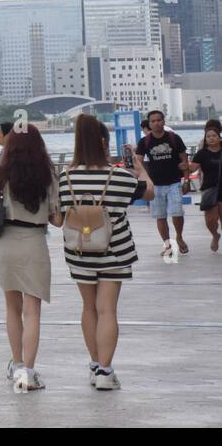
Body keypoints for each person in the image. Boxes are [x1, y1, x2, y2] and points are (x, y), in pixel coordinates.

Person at [60, 114, 140, 390]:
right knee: (107, 310)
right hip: (114, 251)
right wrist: (139, 168)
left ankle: (94, 363)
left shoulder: (65, 177)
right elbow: (148, 192)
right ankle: (105, 371)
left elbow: (59, 215)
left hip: (80, 251)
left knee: (88, 307)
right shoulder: (119, 176)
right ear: (104, 142)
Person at [0, 125, 61, 391]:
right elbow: (57, 218)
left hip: (6, 244)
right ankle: (29, 371)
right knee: (32, 310)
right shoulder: (48, 173)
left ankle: (16, 364)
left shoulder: (1, 172)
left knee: (12, 308)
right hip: (35, 243)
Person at [136, 109, 191, 256]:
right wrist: (142, 182)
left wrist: (186, 180)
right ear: (149, 124)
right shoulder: (145, 142)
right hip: (156, 185)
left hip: (174, 182)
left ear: (164, 122)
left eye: (159, 120)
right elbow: (138, 163)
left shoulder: (174, 138)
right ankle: (167, 245)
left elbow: (184, 161)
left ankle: (179, 237)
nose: (156, 123)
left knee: (177, 213)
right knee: (160, 216)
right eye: (153, 121)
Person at [188, 119, 222, 253]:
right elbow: (192, 168)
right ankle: (215, 235)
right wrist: (184, 167)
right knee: (210, 220)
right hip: (209, 188)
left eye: (214, 136)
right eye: (208, 136)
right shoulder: (202, 153)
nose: (211, 138)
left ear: (219, 138)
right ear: (205, 139)